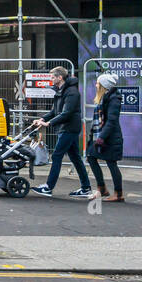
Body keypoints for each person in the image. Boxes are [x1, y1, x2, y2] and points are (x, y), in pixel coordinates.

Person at [33, 66, 92, 199]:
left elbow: (67, 113)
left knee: (57, 155)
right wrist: (43, 118)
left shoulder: (71, 92)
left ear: (60, 78)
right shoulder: (60, 91)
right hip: (66, 128)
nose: (51, 79)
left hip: (69, 128)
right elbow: (55, 111)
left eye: (53, 77)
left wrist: (49, 123)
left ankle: (48, 187)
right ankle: (86, 187)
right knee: (75, 158)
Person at [89, 72, 125, 203]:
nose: (96, 84)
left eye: (98, 83)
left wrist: (101, 138)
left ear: (103, 86)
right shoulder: (105, 98)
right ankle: (102, 188)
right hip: (103, 136)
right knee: (91, 157)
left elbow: (111, 121)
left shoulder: (114, 99)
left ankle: (118, 193)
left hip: (110, 137)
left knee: (111, 163)